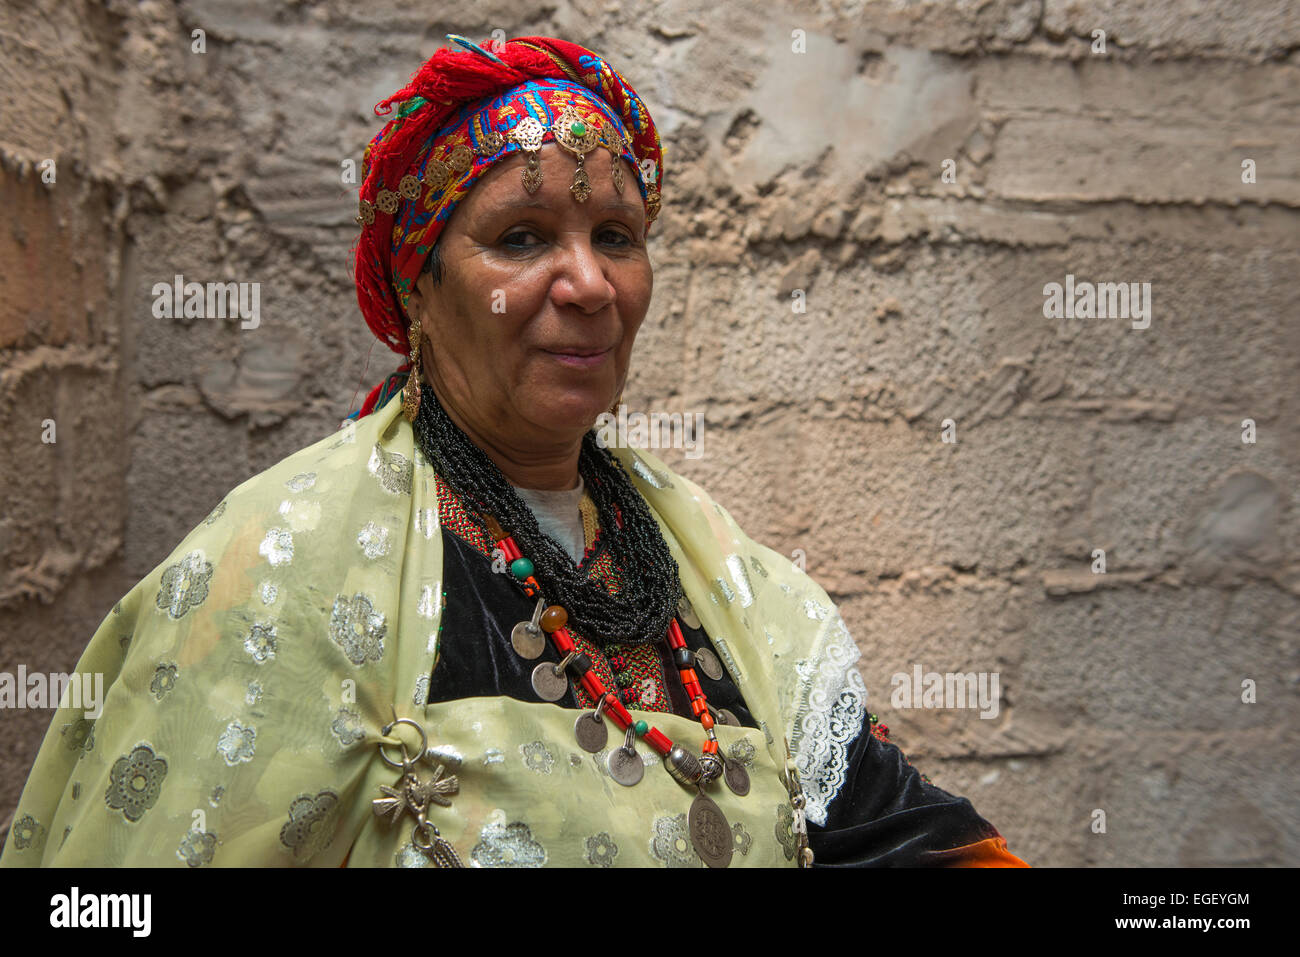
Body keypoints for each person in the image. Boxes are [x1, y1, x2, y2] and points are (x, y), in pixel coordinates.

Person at [0, 35, 1027, 868]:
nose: (588, 284)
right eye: (524, 237)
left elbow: (894, 834)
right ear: (418, 291)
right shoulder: (281, 571)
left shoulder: (720, 576)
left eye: (616, 237)